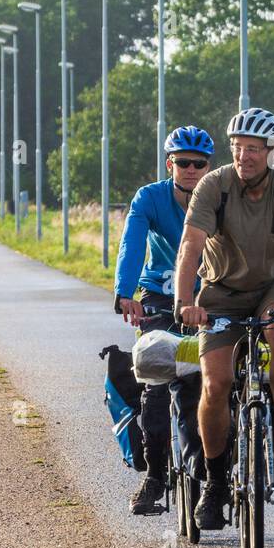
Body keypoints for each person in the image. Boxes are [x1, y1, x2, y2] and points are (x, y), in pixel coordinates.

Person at [173, 108, 274, 531]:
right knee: (216, 382)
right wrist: (184, 300)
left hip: (273, 289)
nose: (245, 156)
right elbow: (190, 246)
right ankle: (214, 481)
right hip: (220, 294)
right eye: (239, 148)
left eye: (254, 150)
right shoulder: (214, 186)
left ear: (272, 151)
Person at [113, 125, 215, 515]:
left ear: (209, 166)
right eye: (183, 162)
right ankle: (155, 476)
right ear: (169, 163)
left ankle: (218, 475)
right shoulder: (151, 198)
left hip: (210, 297)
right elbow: (132, 243)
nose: (191, 170)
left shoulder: (221, 197)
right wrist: (125, 293)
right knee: (156, 387)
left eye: (198, 163)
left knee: (211, 383)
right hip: (160, 297)